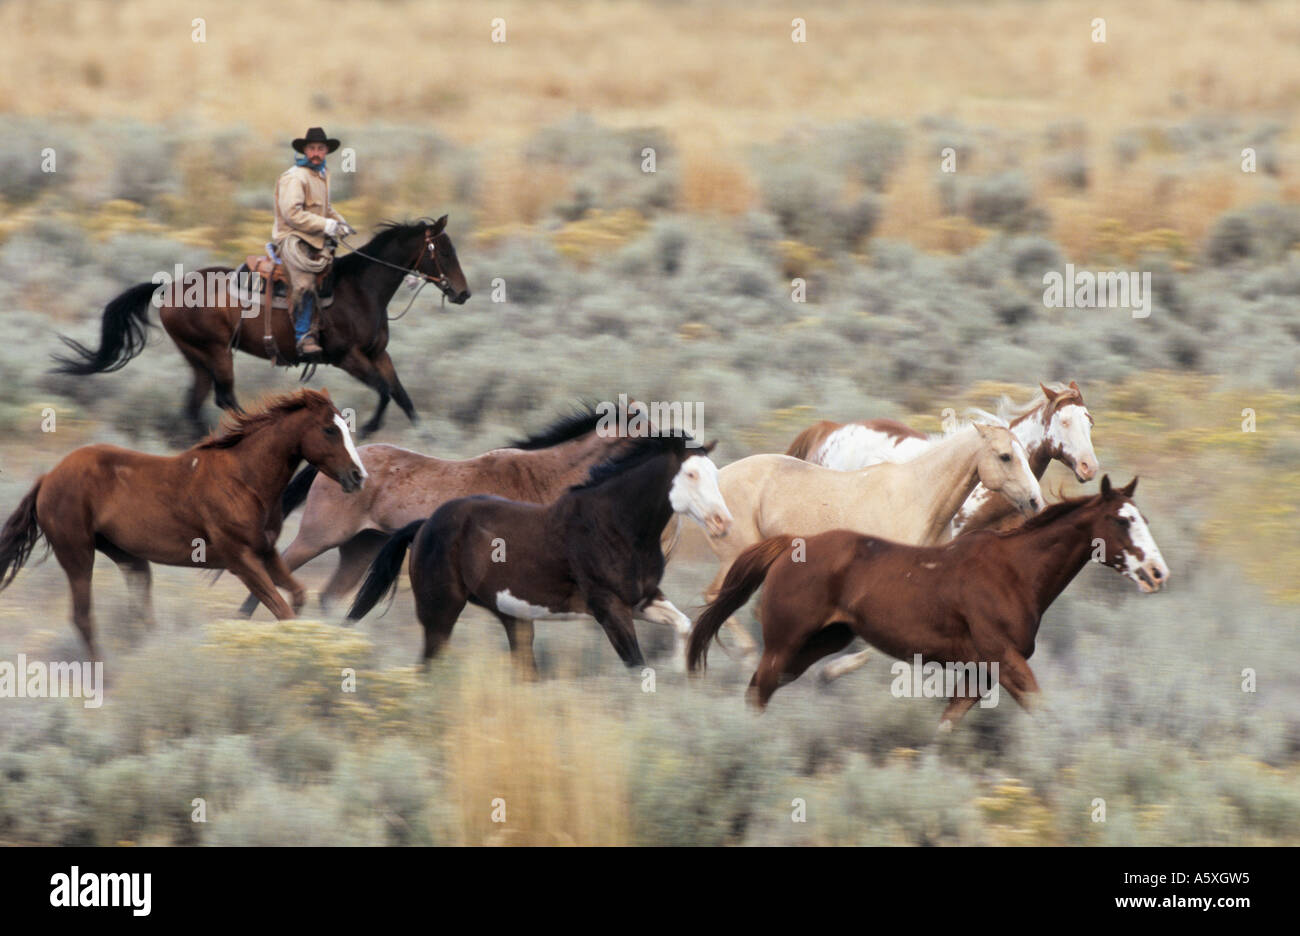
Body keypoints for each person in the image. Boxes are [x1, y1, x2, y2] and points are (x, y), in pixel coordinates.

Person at [271, 127, 354, 358]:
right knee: (305, 283)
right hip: (292, 238)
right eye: (312, 148)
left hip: (314, 238)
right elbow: (292, 214)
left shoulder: (322, 174)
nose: (316, 152)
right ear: (305, 150)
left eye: (320, 148)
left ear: (326, 150)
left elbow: (325, 208)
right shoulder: (295, 177)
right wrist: (326, 225)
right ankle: (303, 336)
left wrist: (340, 222)